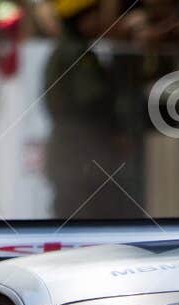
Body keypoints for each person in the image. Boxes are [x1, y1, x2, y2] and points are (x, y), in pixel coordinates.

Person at [36, 0, 129, 217]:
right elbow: (93, 98)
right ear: (81, 19)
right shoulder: (78, 54)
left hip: (65, 150)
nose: (99, 21)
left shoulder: (60, 51)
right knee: (87, 216)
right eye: (94, 14)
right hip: (82, 152)